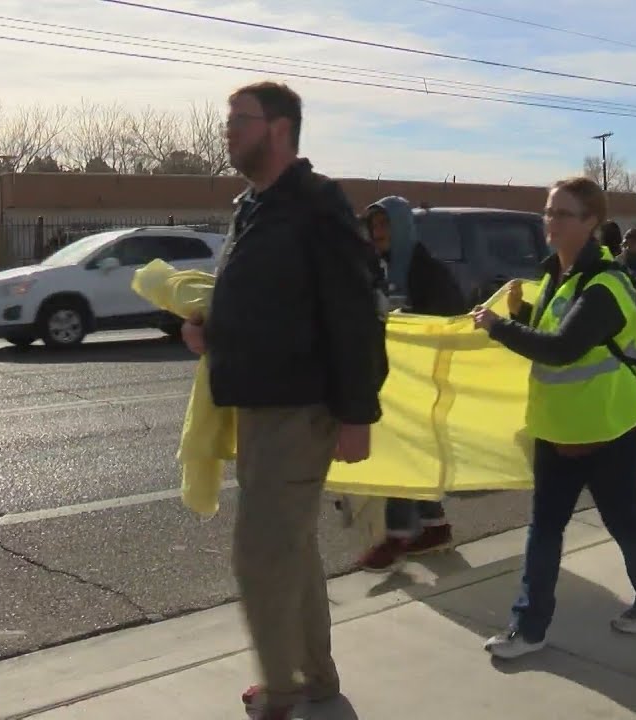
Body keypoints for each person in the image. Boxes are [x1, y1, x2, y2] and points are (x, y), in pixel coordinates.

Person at [180, 81, 384, 720]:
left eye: (240, 120)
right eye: (228, 119)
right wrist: (208, 332)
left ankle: (281, 692)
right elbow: (267, 303)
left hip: (301, 409)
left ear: (281, 129)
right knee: (291, 547)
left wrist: (358, 414)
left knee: (260, 555)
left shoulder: (317, 207)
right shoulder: (253, 208)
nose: (228, 130)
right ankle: (314, 679)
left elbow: (356, 316)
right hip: (259, 408)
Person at [471, 176, 636, 660]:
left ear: (592, 223)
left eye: (563, 214)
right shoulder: (555, 278)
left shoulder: (606, 285)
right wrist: (519, 318)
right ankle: (529, 628)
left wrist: (500, 327)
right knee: (546, 526)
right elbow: (549, 343)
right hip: (561, 427)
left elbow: (562, 348)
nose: (551, 222)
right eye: (548, 212)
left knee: (620, 519)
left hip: (612, 427)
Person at [356, 196, 465, 572]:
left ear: (402, 227)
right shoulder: (378, 268)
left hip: (418, 381)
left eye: (385, 225)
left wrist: (410, 321)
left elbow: (451, 320)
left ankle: (398, 535)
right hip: (386, 378)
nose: (379, 233)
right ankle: (434, 526)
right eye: (375, 226)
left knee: (400, 453)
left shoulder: (426, 271)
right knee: (409, 453)